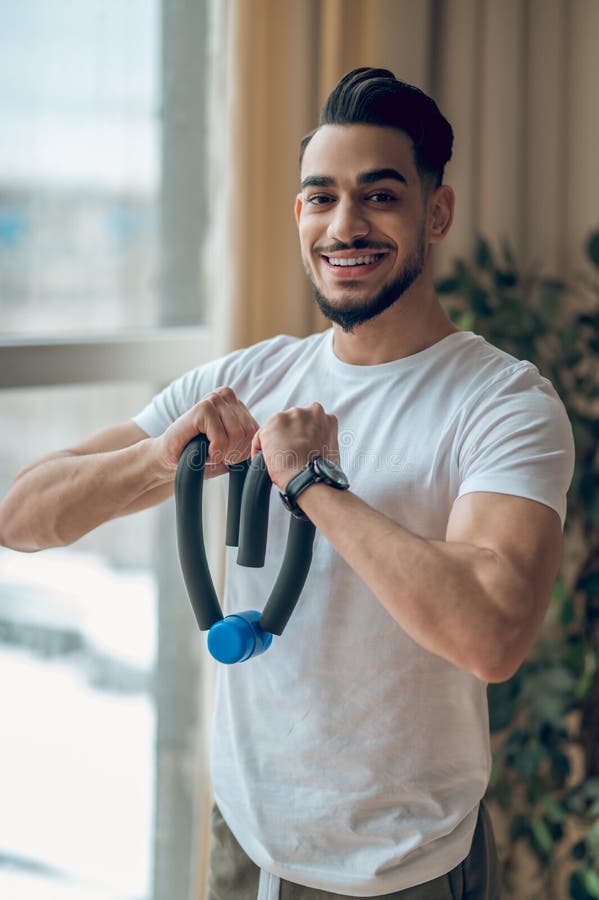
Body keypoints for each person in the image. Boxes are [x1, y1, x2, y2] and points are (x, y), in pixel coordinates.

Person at [0, 68, 574, 899]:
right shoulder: (252, 374)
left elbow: (492, 633)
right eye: (319, 198)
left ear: (435, 213)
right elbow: (21, 515)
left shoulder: (503, 401)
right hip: (246, 838)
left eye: (379, 196)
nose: (344, 225)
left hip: (401, 863)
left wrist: (312, 482)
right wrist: (160, 456)